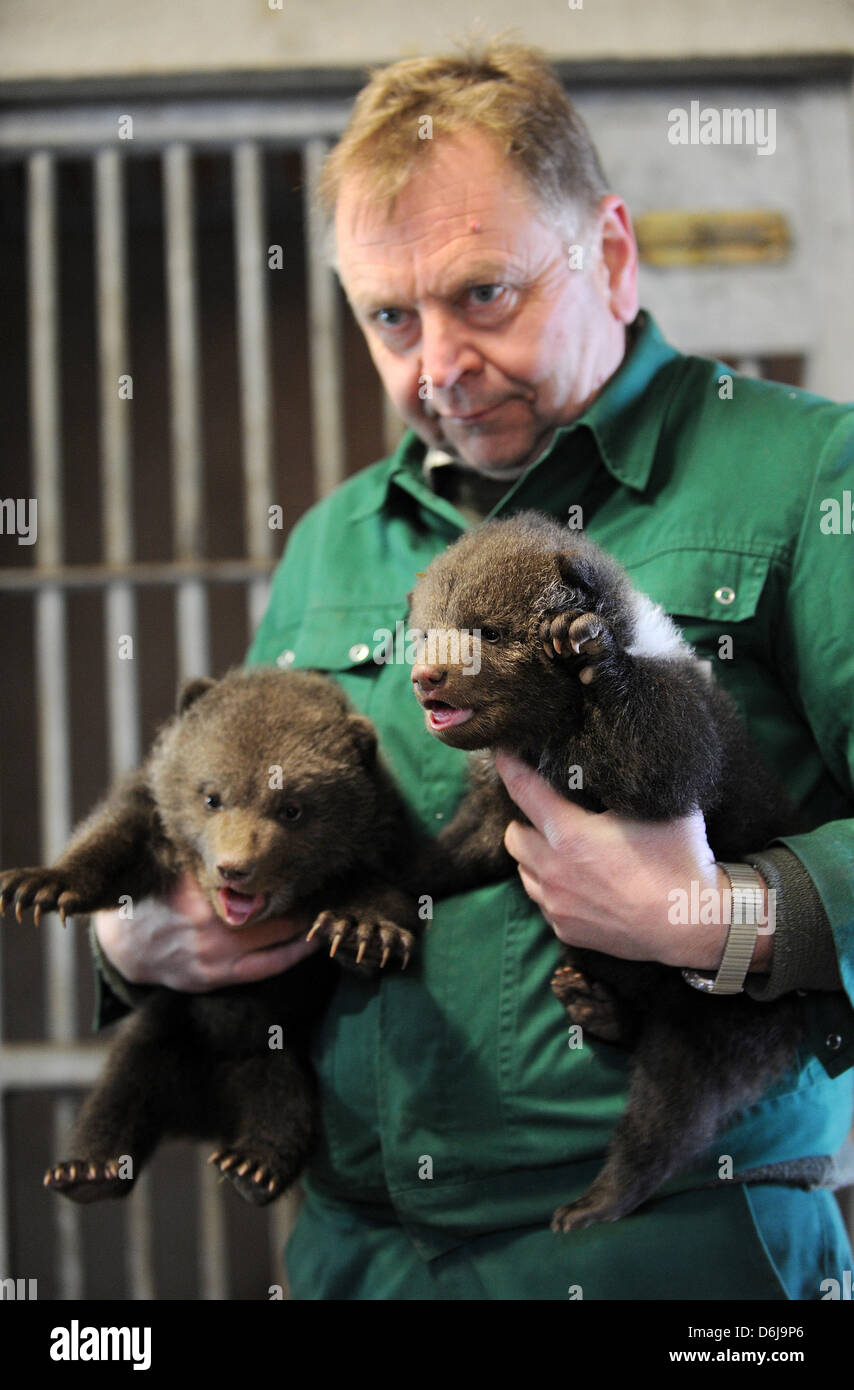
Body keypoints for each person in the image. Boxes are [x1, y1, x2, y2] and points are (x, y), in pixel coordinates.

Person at [93, 42, 854, 1299]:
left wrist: (724, 918)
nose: (435, 364)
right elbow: (232, 819)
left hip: (667, 1252)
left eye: (483, 295)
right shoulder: (337, 537)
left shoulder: (804, 478)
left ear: (609, 251)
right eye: (390, 316)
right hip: (356, 1256)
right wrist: (142, 940)